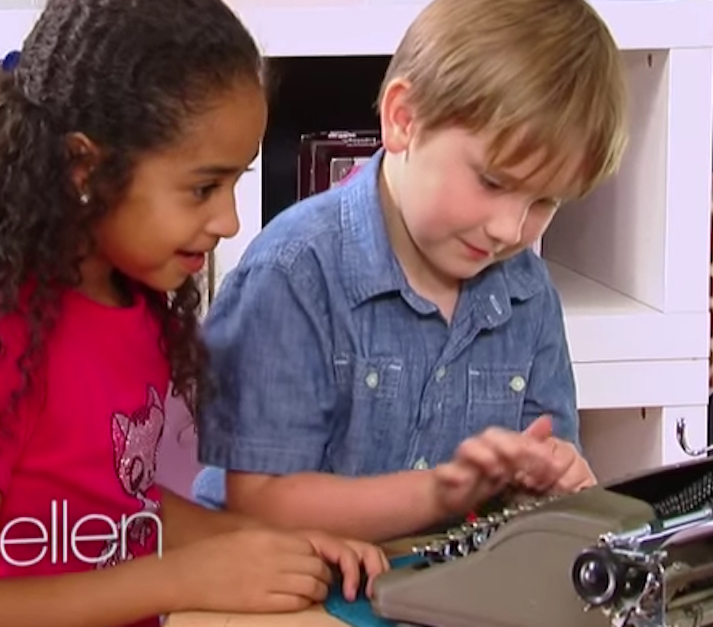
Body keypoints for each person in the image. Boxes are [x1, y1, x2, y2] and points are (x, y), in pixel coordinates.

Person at [0, 2, 388, 626]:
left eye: (234, 183)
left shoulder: (132, 305)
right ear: (84, 165)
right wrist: (180, 578)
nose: (229, 221)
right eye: (203, 188)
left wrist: (269, 547)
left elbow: (117, 509)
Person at [194, 0, 629, 543]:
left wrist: (552, 485)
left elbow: (539, 481)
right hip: (285, 578)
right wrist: (439, 493)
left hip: (439, 581)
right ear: (404, 119)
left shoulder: (528, 294)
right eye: (493, 182)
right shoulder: (293, 273)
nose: (509, 229)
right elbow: (260, 504)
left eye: (545, 202)